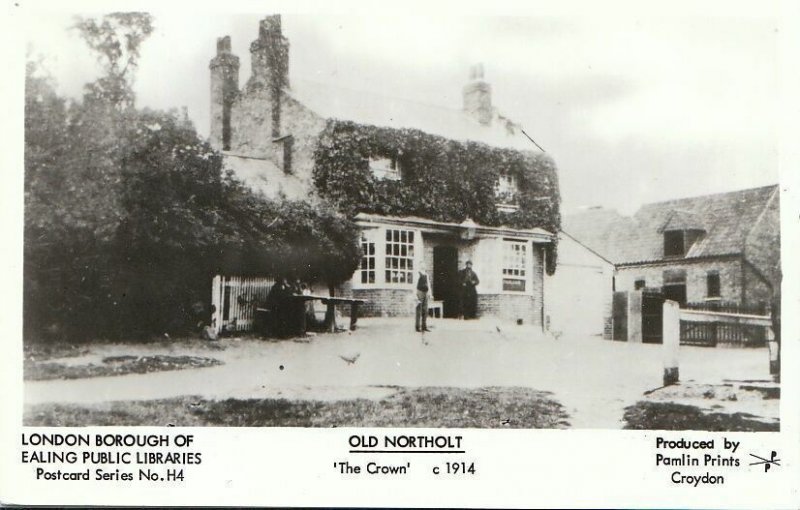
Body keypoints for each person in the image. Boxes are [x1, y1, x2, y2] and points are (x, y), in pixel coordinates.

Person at [415, 264, 431, 332]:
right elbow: (415, 284)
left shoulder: (426, 274)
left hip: (425, 292)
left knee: (425, 310)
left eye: (424, 265)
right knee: (419, 310)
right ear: (420, 266)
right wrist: (415, 295)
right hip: (420, 292)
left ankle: (424, 326)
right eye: (422, 264)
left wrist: (430, 293)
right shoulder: (418, 273)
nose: (423, 266)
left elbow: (428, 284)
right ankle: (417, 327)